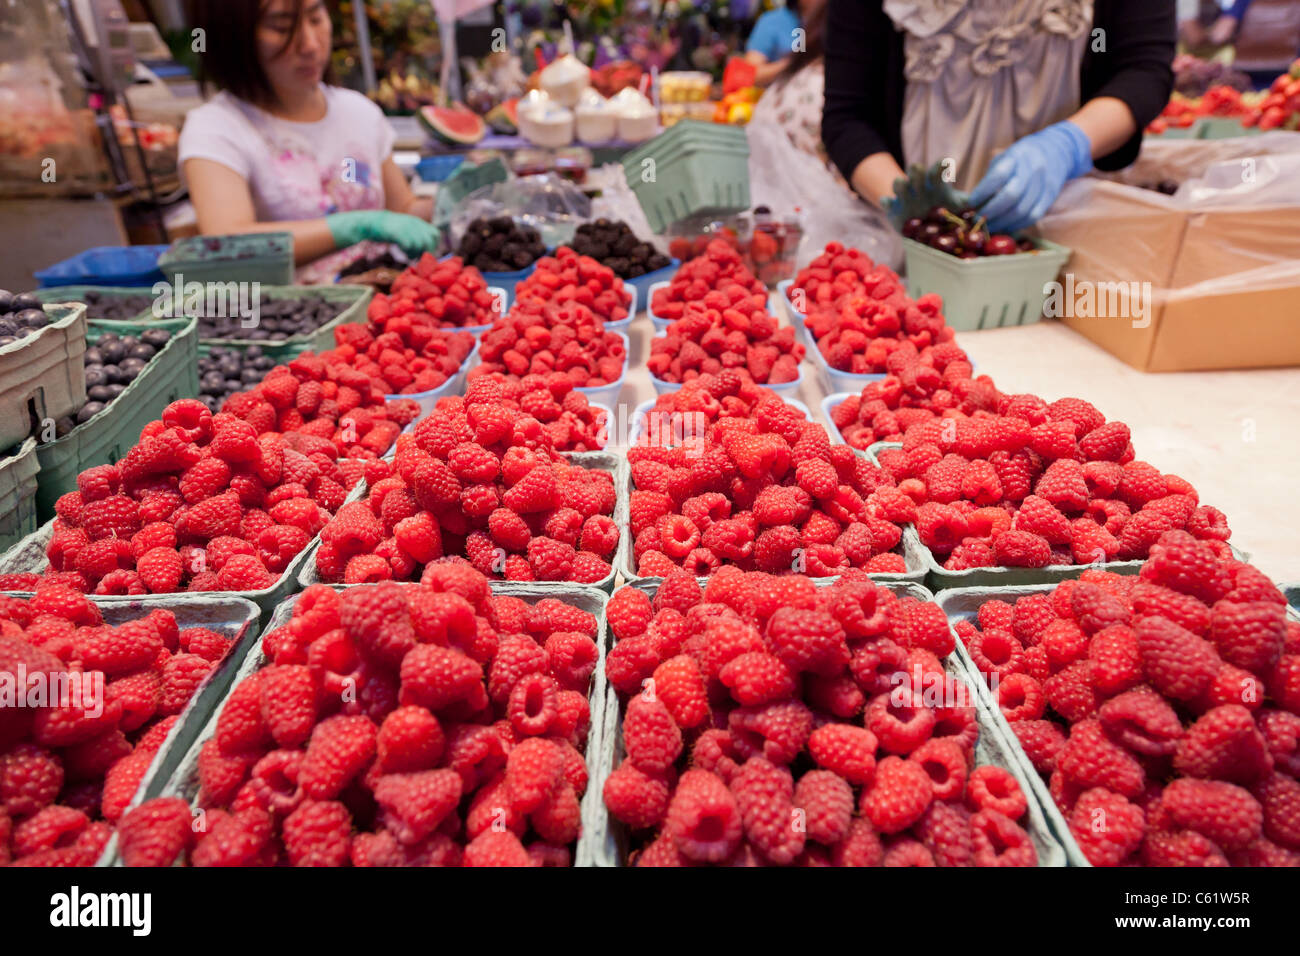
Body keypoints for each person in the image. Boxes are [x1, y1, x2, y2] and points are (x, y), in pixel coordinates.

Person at [822, 2, 1177, 234]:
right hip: (916, 257)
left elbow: (1144, 70)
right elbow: (848, 116)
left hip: (1075, 234)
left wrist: (1067, 144)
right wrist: (910, 209)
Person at [180, 0, 436, 263]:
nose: (311, 45)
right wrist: (352, 227)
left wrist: (451, 202)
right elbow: (228, 243)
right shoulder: (216, 129)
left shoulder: (358, 112)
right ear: (234, 36)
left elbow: (403, 209)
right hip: (294, 303)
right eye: (281, 28)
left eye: (316, 19)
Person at [745, 2, 804, 87]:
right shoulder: (772, 21)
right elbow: (752, 74)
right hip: (781, 93)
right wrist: (793, 63)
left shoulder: (825, 21)